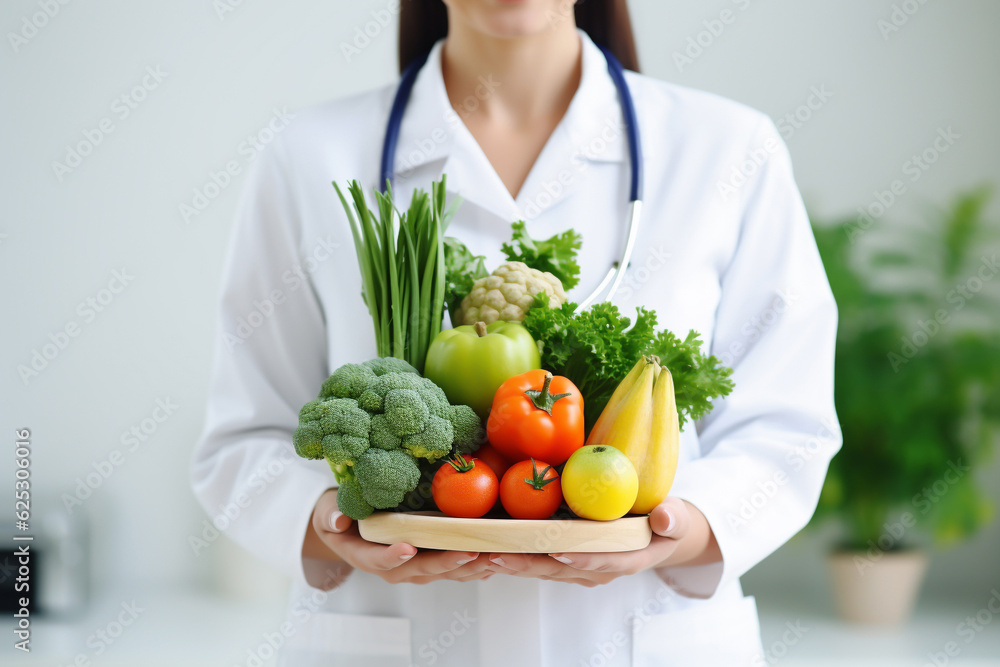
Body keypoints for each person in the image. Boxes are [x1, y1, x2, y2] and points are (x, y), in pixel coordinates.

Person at [191, 1, 842, 664]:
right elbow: (245, 438)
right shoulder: (306, 154)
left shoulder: (730, 148)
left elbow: (788, 426)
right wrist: (332, 522)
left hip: (642, 633)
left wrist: (693, 526)